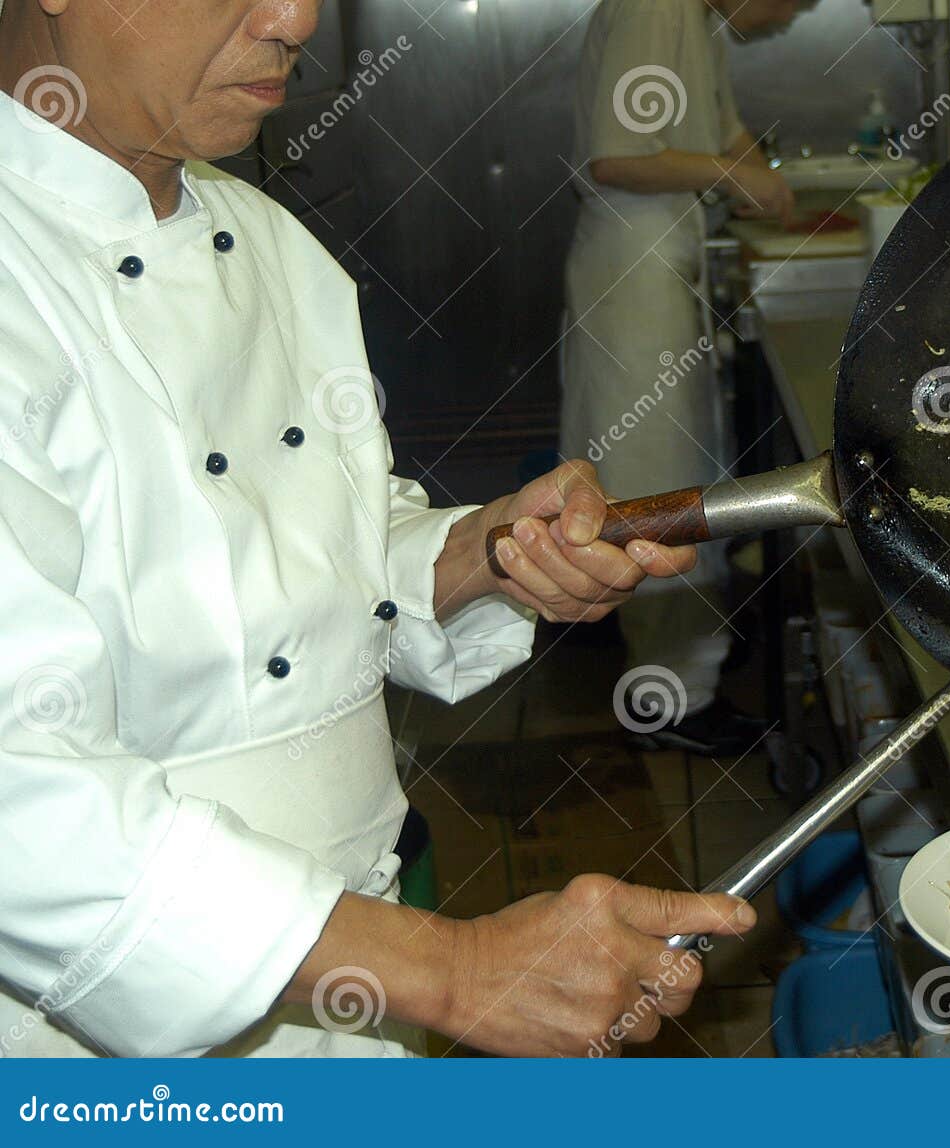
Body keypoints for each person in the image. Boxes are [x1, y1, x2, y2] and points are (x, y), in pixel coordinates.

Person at [0, 0, 754, 1058]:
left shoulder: (267, 239)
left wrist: (473, 556)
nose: (297, 16)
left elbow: (314, 537)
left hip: (354, 964)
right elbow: (17, 790)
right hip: (95, 1032)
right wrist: (453, 967)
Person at [561, 0, 802, 755]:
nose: (793, 13)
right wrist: (736, 174)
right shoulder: (655, 7)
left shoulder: (696, 21)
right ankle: (668, 706)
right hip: (634, 271)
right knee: (651, 480)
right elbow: (617, 156)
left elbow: (718, 127)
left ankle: (689, 668)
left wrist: (760, 176)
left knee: (684, 474)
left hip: (666, 262)